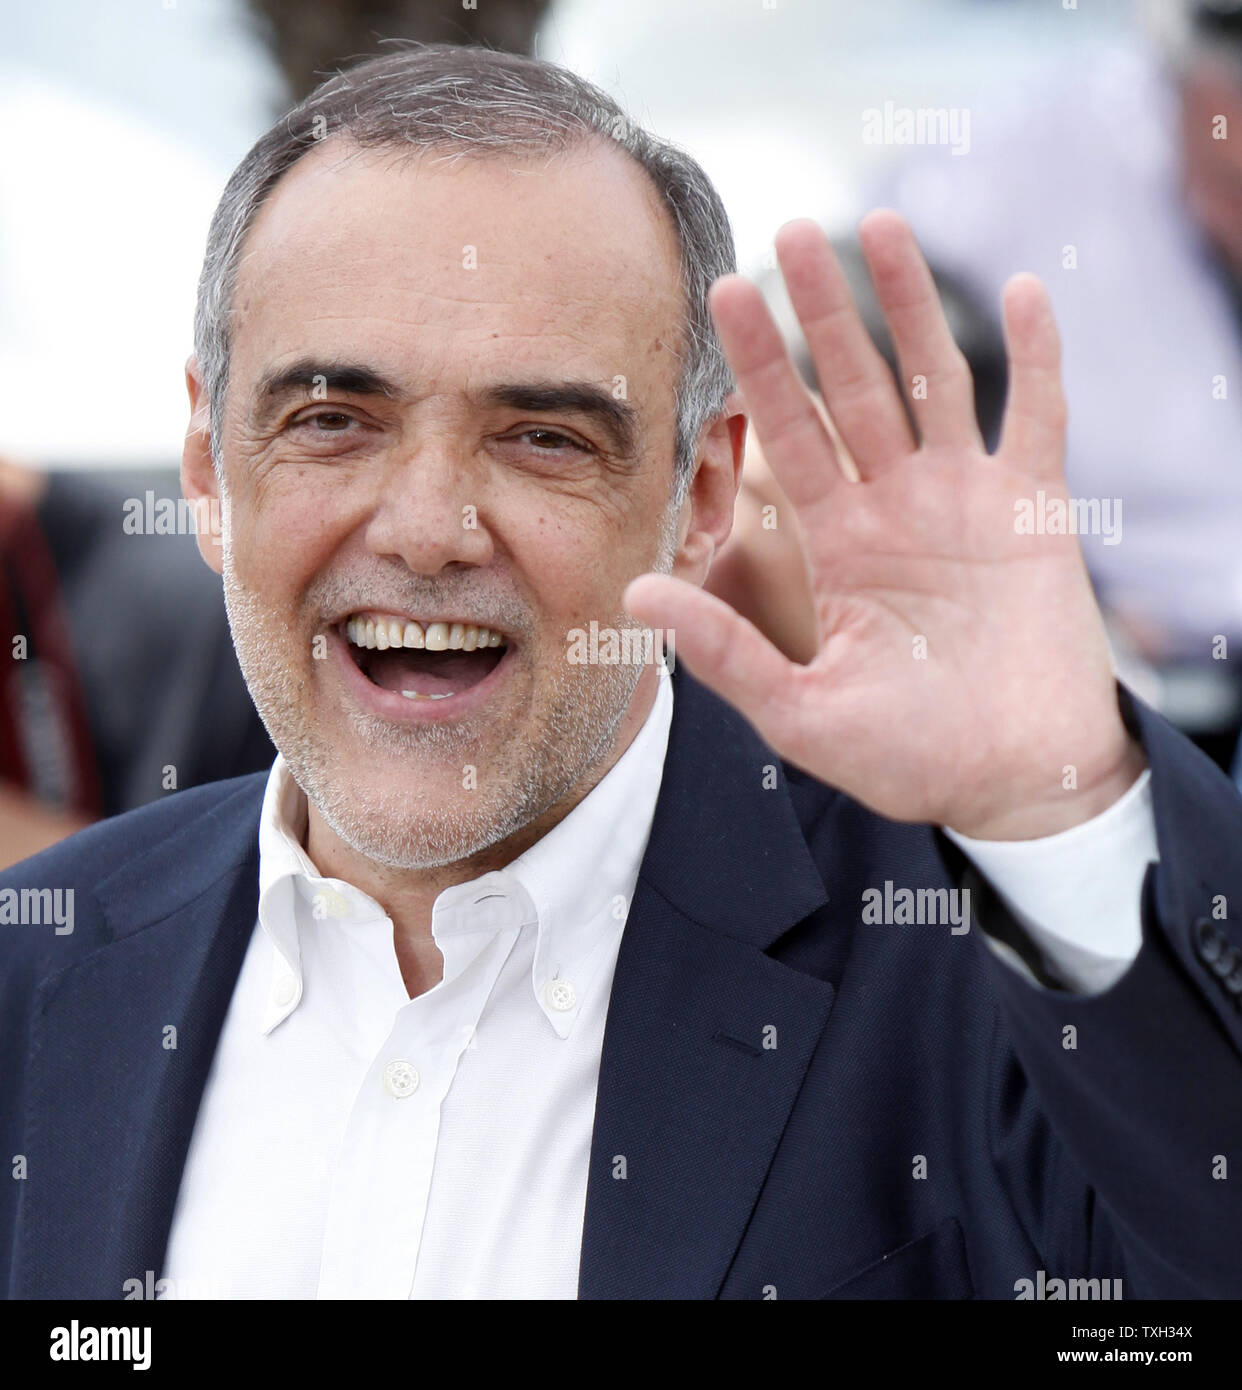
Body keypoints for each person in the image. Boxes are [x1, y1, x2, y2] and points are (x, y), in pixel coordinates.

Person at [1, 43, 1239, 1302]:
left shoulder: (967, 968)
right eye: (333, 419)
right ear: (209, 469)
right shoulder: (34, 973)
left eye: (542, 437)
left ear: (699, 496)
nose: (428, 527)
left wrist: (1069, 810)